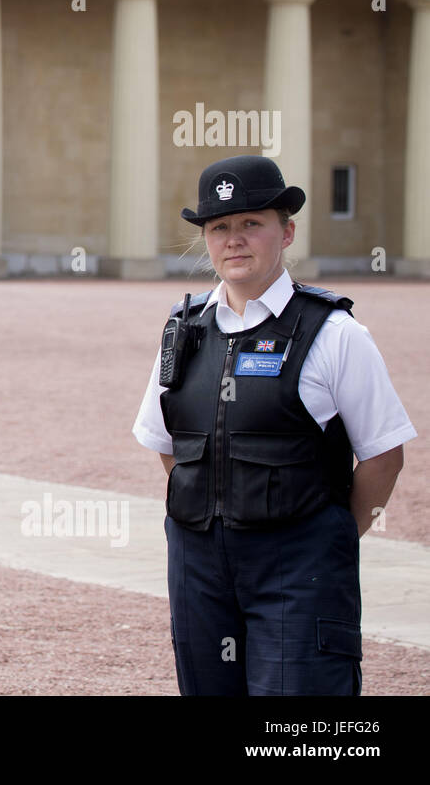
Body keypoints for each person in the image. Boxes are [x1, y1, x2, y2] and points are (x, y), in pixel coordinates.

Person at [132, 154, 415, 695]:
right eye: (220, 228)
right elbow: (168, 443)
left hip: (298, 569)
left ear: (286, 232)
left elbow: (383, 454)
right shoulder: (181, 331)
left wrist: (332, 538)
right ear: (207, 240)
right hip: (199, 568)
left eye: (251, 224)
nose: (234, 240)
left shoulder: (334, 333)